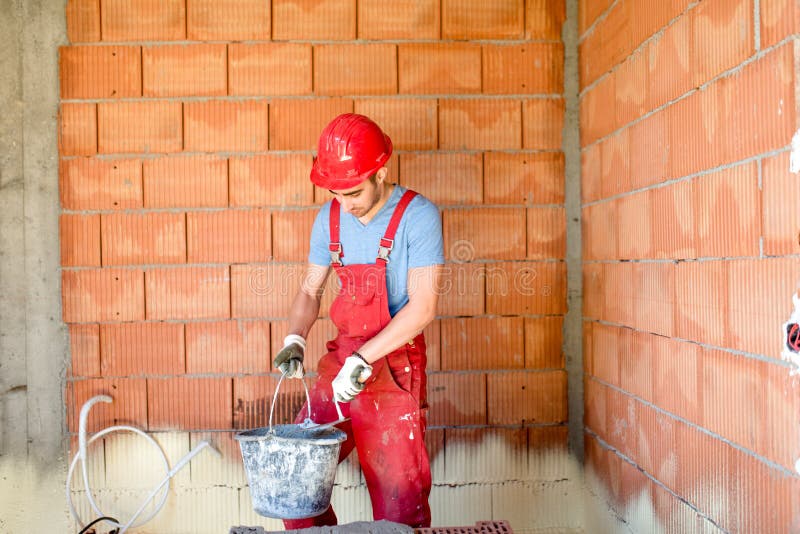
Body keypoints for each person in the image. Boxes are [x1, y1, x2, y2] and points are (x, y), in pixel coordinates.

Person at [272, 113, 444, 529]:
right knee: (296, 476)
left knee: (398, 507)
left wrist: (365, 358)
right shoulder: (328, 219)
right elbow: (310, 291)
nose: (344, 204)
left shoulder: (417, 216)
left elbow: (422, 307)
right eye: (334, 192)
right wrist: (294, 338)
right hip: (342, 361)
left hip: (395, 367)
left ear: (380, 172)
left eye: (352, 192)